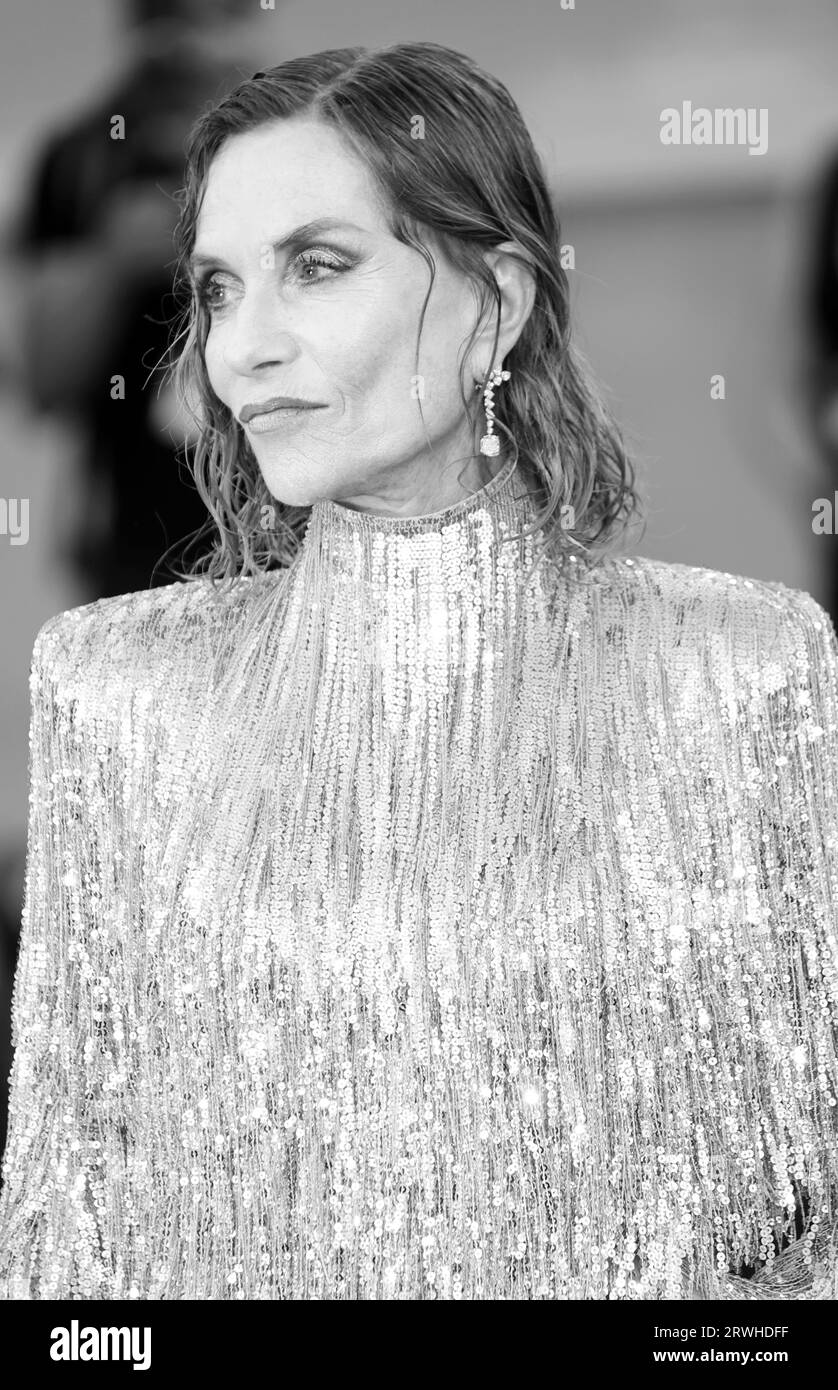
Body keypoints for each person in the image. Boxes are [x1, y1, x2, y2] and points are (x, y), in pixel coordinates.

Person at [1, 41, 837, 1301]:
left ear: (496, 302)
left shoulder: (738, 675)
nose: (241, 351)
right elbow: (68, 1243)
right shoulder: (116, 692)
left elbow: (800, 1227)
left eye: (318, 267)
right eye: (218, 288)